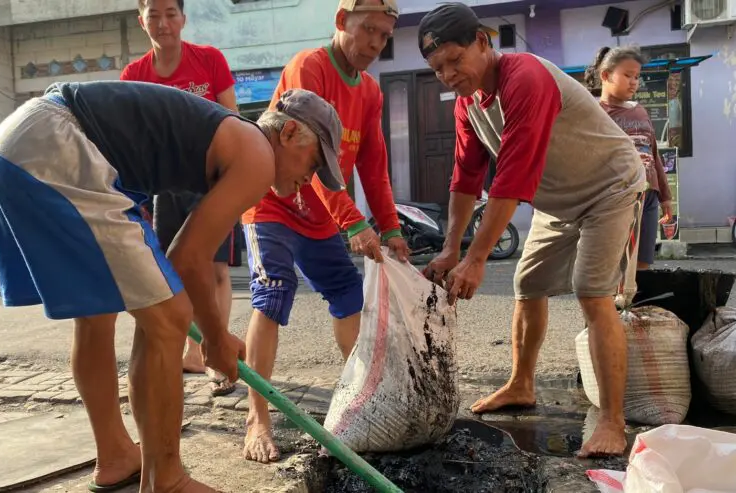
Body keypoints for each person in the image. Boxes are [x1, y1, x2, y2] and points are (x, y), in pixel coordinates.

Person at [0, 81, 344, 492]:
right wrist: (214, 338)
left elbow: (181, 251)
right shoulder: (257, 154)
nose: (308, 179)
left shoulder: (225, 138)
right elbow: (187, 259)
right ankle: (165, 481)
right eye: (312, 163)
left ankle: (116, 454)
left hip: (14, 142)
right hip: (55, 145)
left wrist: (213, 333)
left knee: (97, 312)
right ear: (290, 133)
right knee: (168, 317)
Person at [418, 3, 645, 458]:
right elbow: (465, 177)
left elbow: (512, 180)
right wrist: (450, 250)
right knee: (527, 284)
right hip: (557, 199)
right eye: (437, 67)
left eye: (454, 59)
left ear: (482, 42)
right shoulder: (468, 103)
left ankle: (612, 422)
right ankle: (521, 384)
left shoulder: (525, 77)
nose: (447, 74)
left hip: (609, 186)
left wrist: (477, 259)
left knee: (592, 292)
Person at [239, 0, 410, 465]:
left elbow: (374, 168)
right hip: (271, 199)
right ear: (341, 22)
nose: (375, 43)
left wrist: (390, 228)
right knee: (274, 292)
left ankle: (360, 397)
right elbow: (301, 151)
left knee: (348, 294)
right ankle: (257, 416)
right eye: (367, 30)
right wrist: (353, 221)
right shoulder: (308, 67)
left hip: (319, 215)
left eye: (384, 36)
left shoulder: (371, 92)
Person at [120, 0, 240, 397]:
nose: (163, 22)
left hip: (210, 183)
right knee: (174, 274)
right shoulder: (134, 75)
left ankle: (216, 354)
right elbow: (131, 141)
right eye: (153, 14)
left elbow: (231, 119)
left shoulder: (209, 60)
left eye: (170, 13)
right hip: (165, 188)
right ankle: (193, 352)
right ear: (142, 21)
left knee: (217, 270)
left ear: (183, 19)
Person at [585, 46, 674, 271]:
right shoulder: (592, 111)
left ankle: (636, 305)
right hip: (614, 196)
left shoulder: (640, 111)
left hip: (648, 195)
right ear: (605, 75)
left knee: (642, 262)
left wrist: (665, 197)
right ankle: (611, 306)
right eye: (627, 75)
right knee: (613, 263)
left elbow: (653, 153)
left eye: (637, 76)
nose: (634, 82)